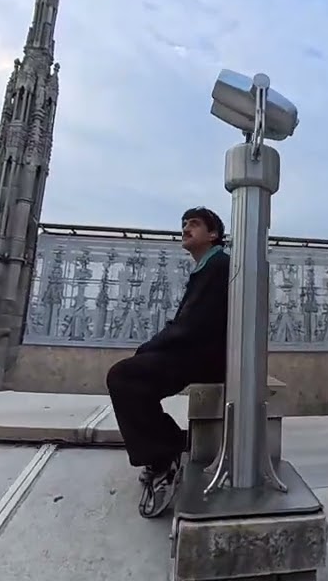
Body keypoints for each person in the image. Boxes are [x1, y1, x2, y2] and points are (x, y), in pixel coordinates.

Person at [105, 206, 229, 519]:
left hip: (203, 355)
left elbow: (191, 325)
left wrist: (148, 348)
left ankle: (163, 457)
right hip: (196, 351)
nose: (186, 228)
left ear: (213, 234)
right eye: (184, 224)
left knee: (124, 377)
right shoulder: (206, 267)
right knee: (131, 379)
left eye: (195, 224)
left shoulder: (218, 265)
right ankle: (171, 445)